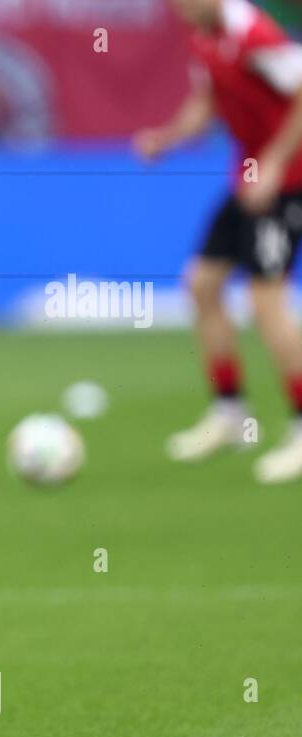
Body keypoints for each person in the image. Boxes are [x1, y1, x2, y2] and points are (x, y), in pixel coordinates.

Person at [136, 0, 302, 483]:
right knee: (202, 284)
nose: (176, 7)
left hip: (287, 184)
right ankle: (230, 415)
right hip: (248, 182)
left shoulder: (256, 35)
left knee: (266, 299)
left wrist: (273, 163)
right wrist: (166, 139)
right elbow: (206, 101)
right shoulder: (204, 35)